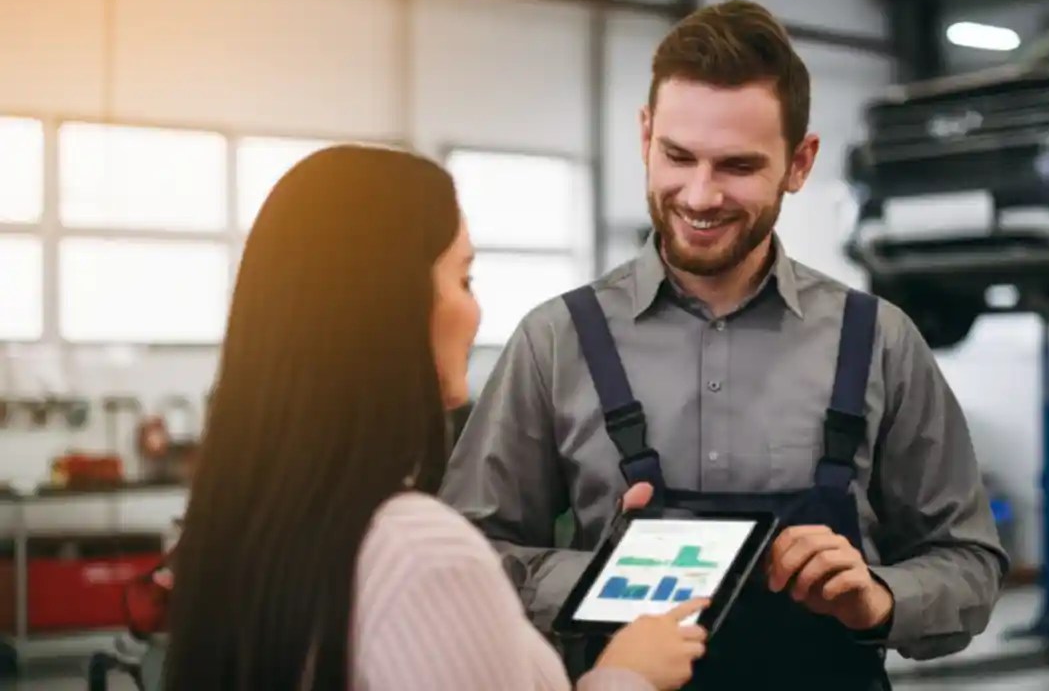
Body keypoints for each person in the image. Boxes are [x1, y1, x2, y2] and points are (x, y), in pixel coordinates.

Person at [439, 0, 1009, 690]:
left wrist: (878, 598)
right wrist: (607, 584)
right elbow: (465, 561)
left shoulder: (879, 341)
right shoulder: (555, 342)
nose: (700, 196)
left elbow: (969, 563)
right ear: (645, 136)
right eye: (678, 156)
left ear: (800, 162)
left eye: (737, 166)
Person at [162, 145, 710, 691]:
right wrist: (626, 674)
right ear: (395, 305)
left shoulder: (246, 526)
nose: (476, 311)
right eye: (464, 280)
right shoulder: (423, 554)